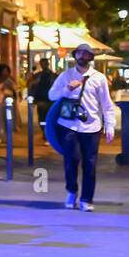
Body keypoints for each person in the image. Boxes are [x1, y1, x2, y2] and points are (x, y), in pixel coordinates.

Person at [48, 43, 117, 211]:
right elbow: (51, 95)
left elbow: (106, 104)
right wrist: (67, 88)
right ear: (75, 55)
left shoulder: (98, 78)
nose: (82, 56)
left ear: (91, 58)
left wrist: (110, 125)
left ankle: (87, 199)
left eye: (86, 54)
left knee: (90, 164)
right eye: (79, 53)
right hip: (69, 125)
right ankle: (71, 192)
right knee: (71, 160)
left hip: (91, 126)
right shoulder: (66, 75)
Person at [0, 63, 18, 144]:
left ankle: (8, 135)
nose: (5, 73)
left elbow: (14, 91)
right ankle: (0, 136)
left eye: (6, 71)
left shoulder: (10, 81)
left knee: (8, 119)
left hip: (7, 102)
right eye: (3, 71)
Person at [27, 58, 55, 131]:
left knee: (48, 116)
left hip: (50, 99)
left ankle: (47, 130)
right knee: (42, 116)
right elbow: (31, 86)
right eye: (42, 64)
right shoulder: (37, 75)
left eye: (45, 63)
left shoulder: (53, 75)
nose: (44, 65)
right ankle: (44, 130)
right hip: (40, 99)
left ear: (48, 64)